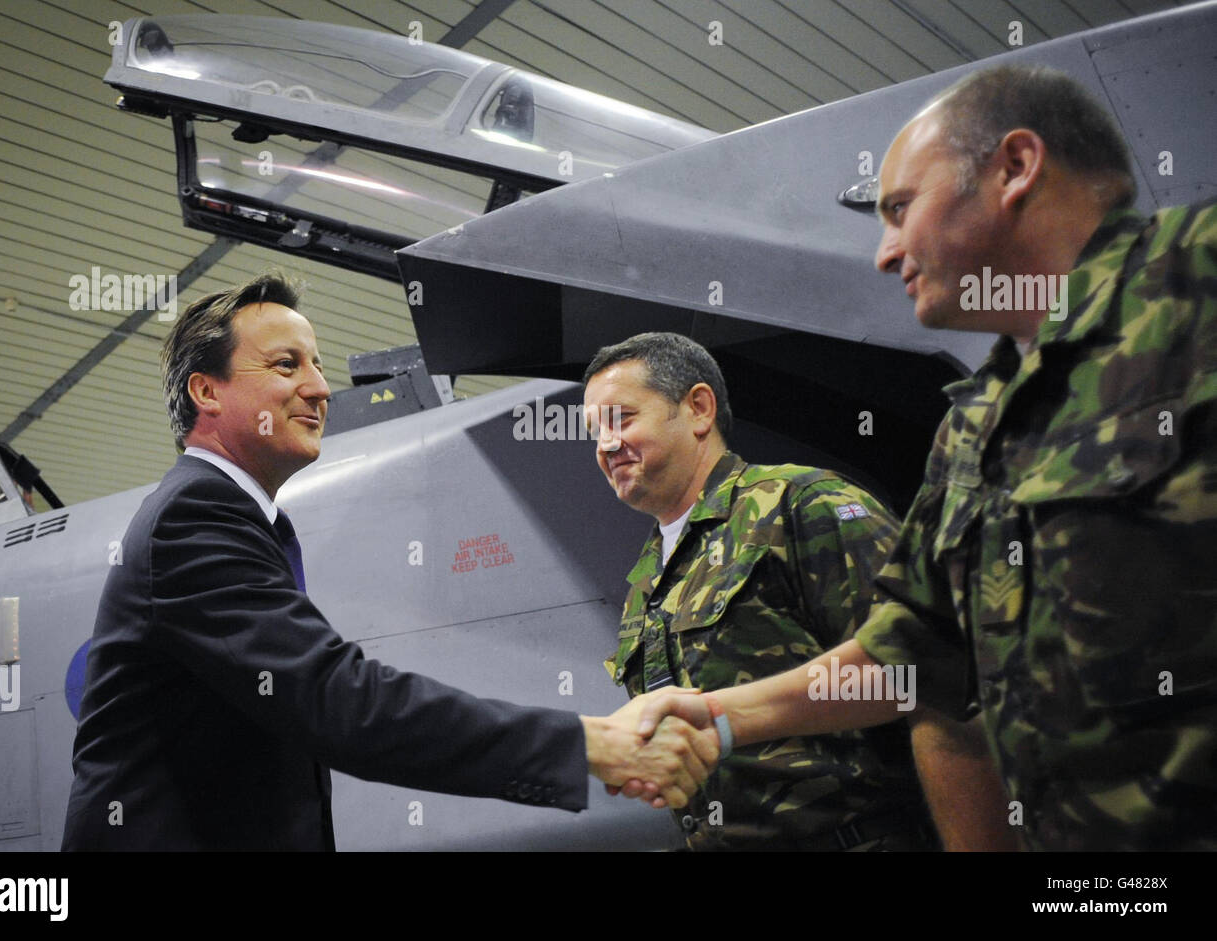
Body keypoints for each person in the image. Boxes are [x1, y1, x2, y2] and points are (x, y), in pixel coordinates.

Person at [628, 64, 1217, 851]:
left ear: (1015, 168)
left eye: (901, 209)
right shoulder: (976, 429)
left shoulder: (1196, 277)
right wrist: (721, 714)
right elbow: (915, 657)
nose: (884, 251)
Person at [62, 272, 716, 851]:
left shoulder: (243, 518)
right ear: (207, 390)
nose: (320, 388)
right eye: (287, 365)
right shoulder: (194, 516)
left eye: (316, 364)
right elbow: (338, 701)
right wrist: (586, 744)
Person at [582, 333, 934, 850]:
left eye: (622, 419)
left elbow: (916, 672)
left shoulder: (804, 504)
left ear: (699, 409)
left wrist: (724, 719)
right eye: (594, 434)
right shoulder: (649, 575)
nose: (606, 446)